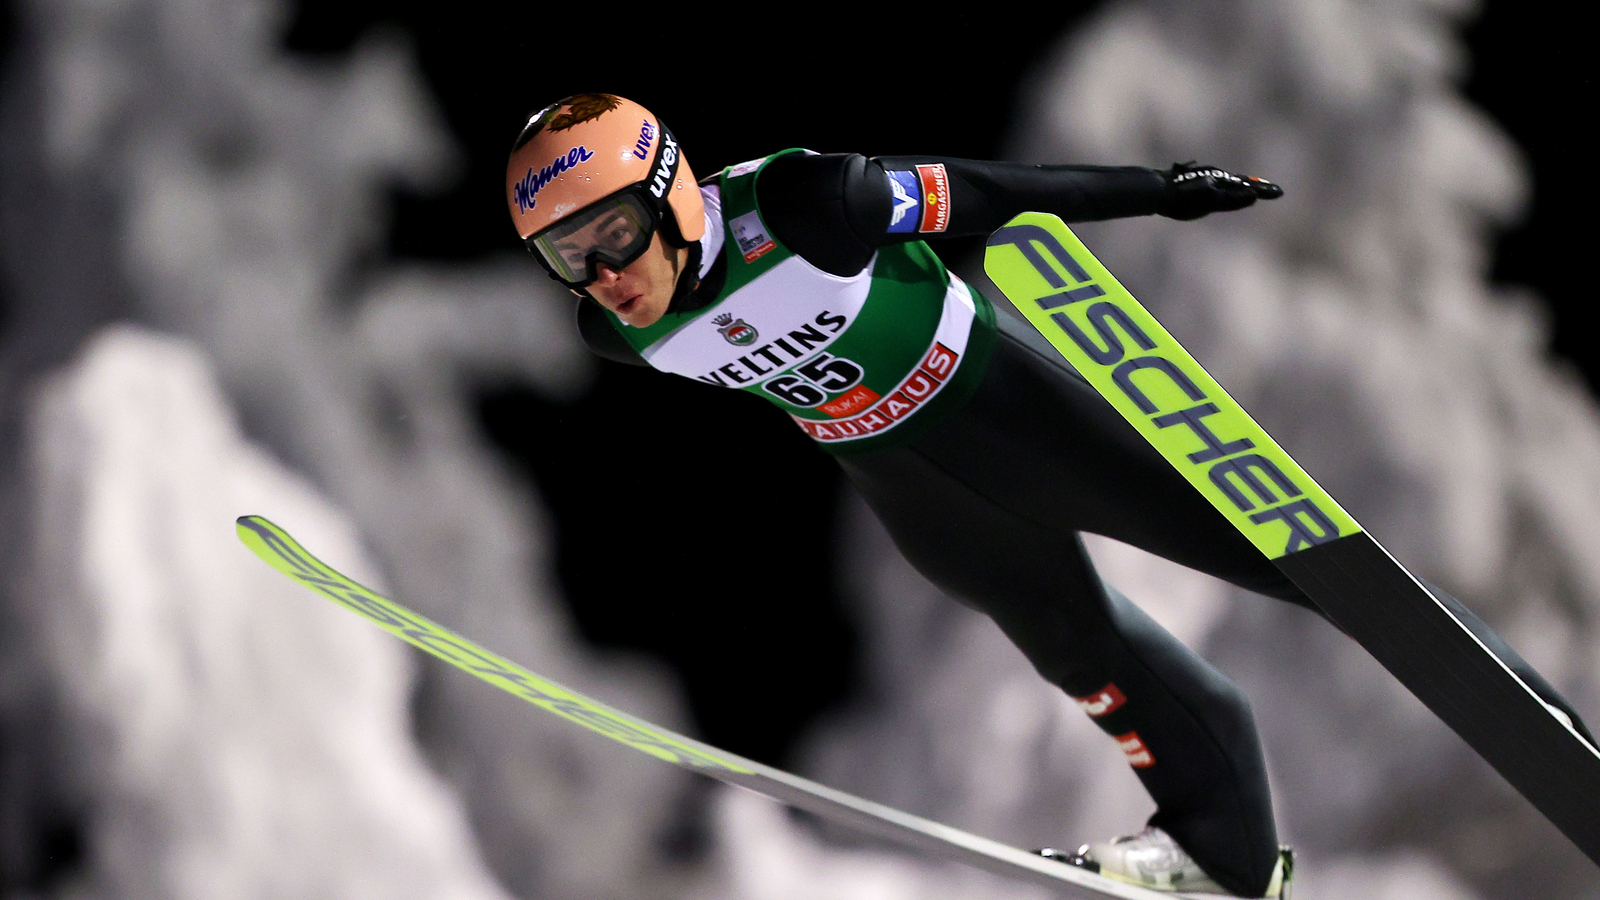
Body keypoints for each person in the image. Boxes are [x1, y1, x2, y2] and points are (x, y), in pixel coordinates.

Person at [503, 93, 1591, 899]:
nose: (604, 274)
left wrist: (1160, 190)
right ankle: (1226, 851)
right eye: (566, 255)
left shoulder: (806, 204)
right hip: (911, 494)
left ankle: (1531, 708)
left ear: (671, 190)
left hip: (1006, 412)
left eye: (614, 234)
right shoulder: (616, 334)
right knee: (1081, 649)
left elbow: (995, 190)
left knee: (1298, 560)